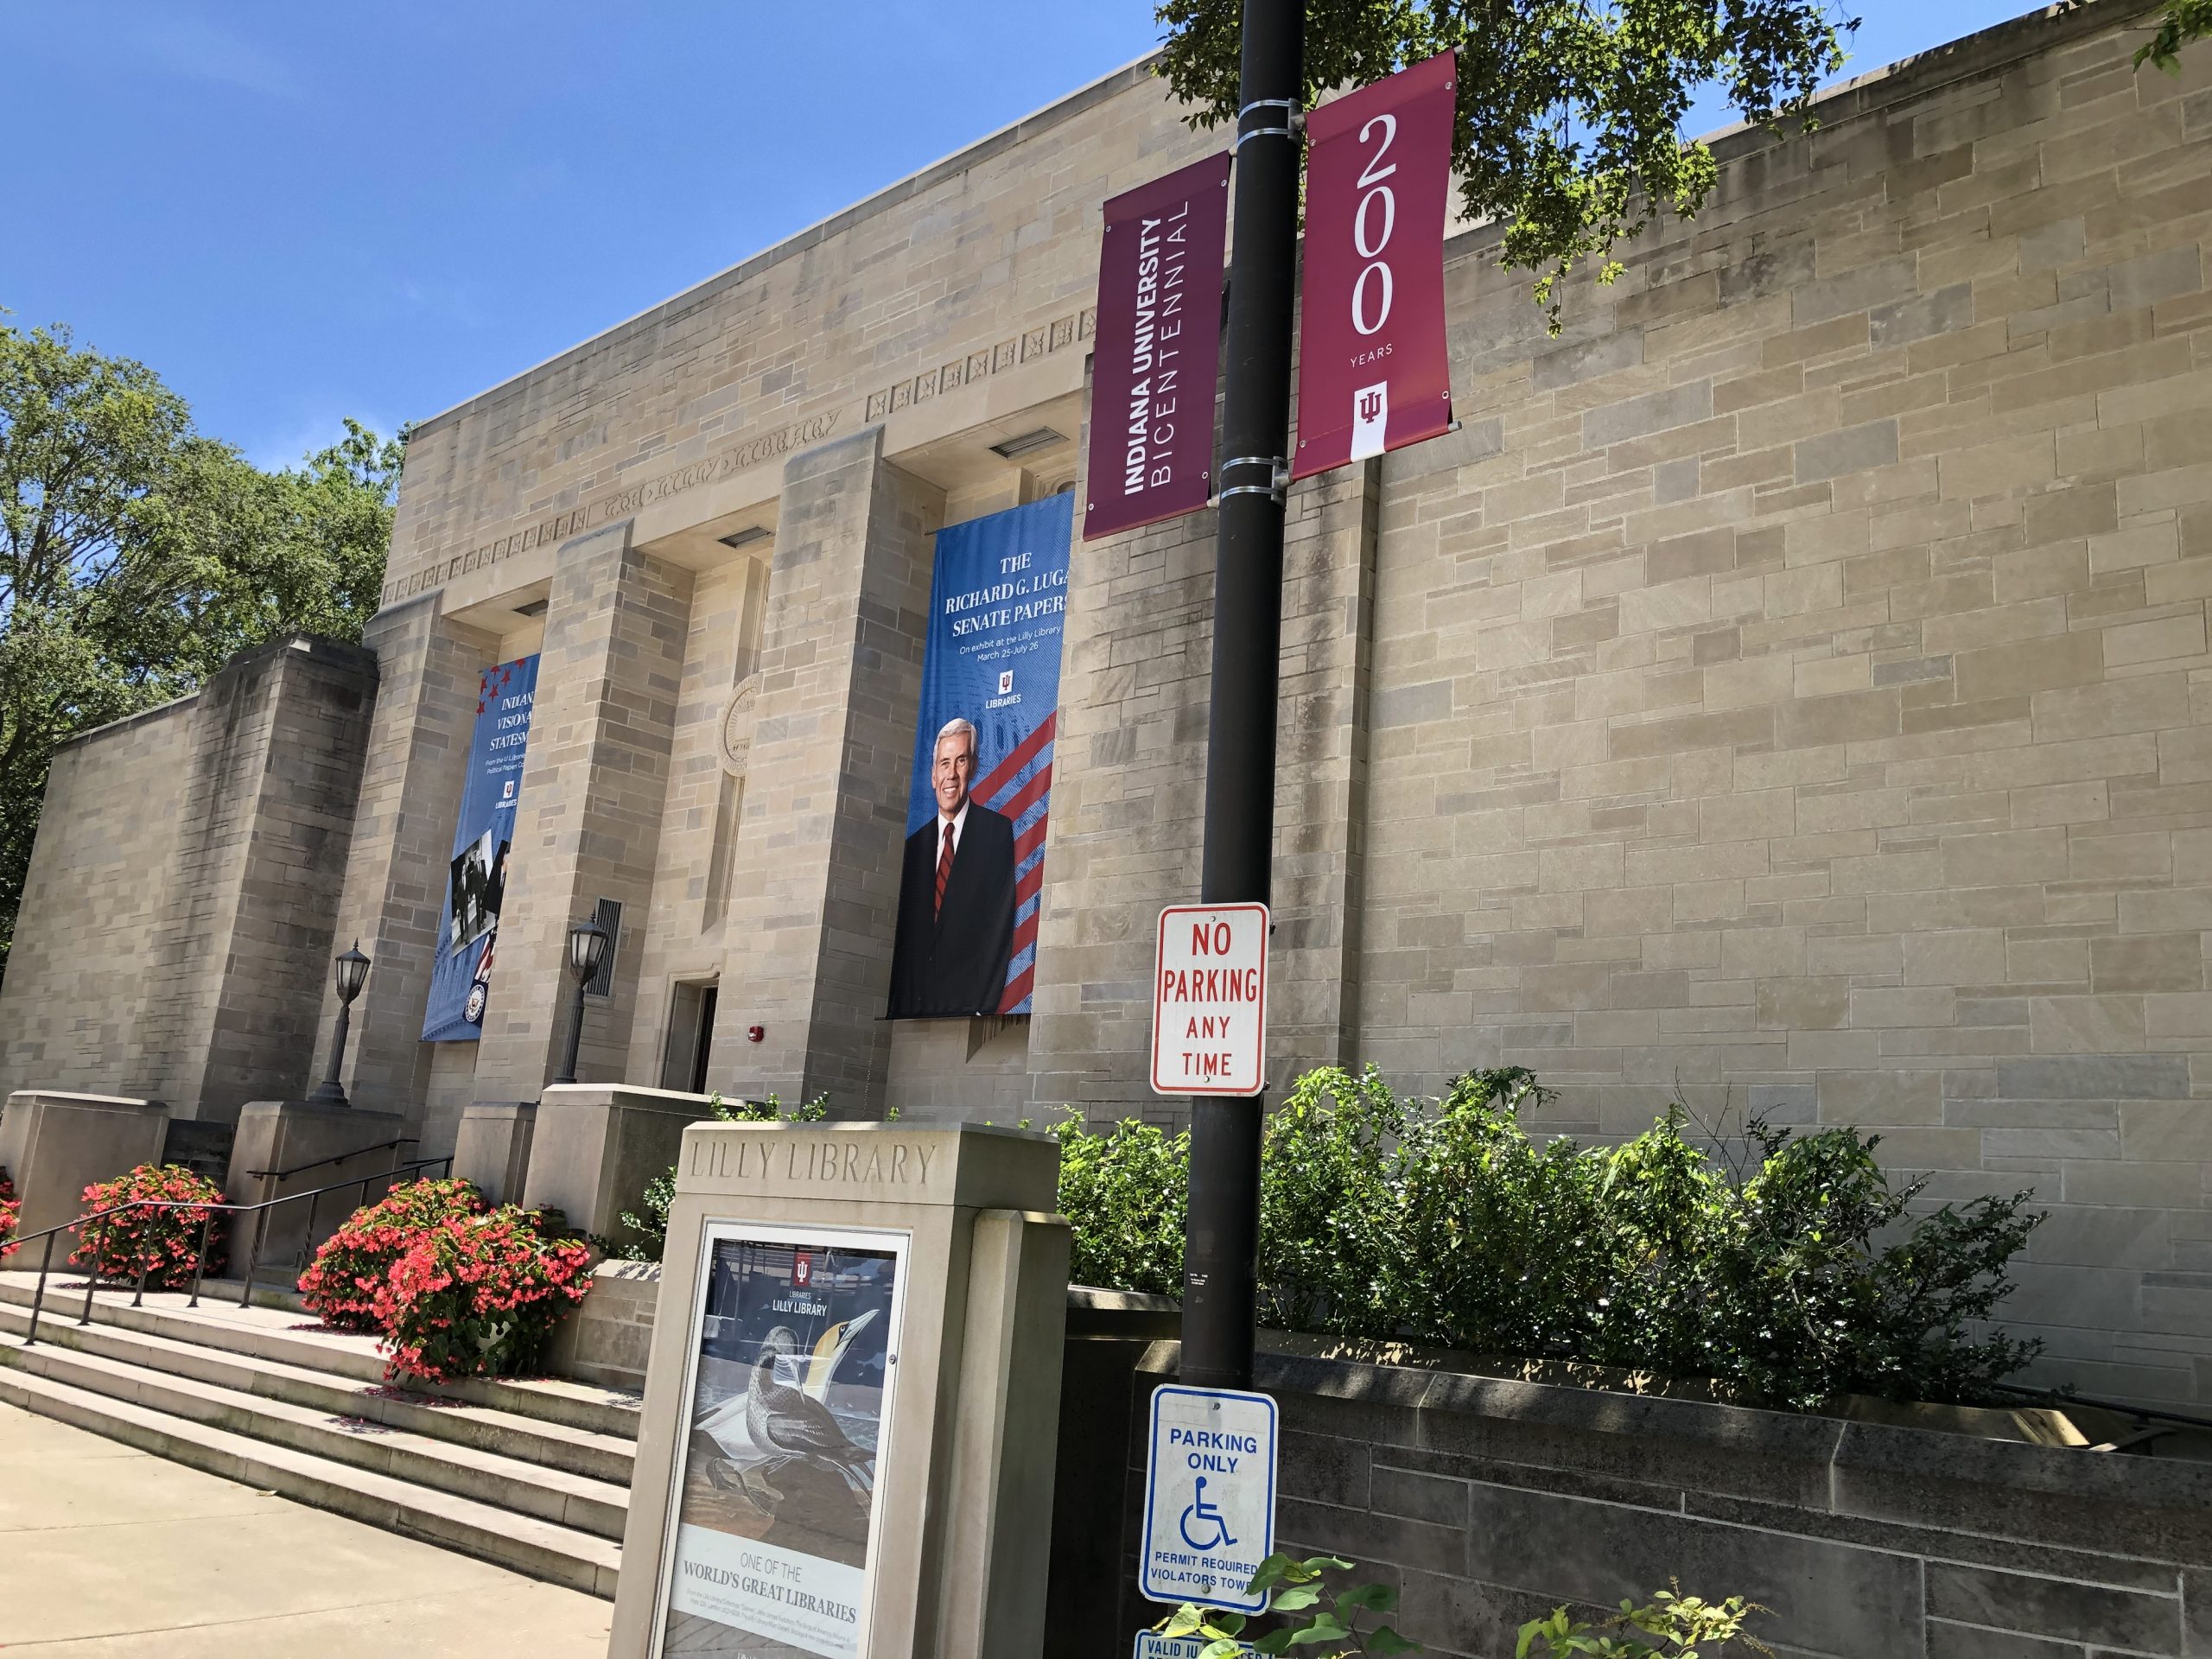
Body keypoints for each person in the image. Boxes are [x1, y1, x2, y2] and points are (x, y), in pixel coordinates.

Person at [888, 717, 1017, 1017]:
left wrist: (983, 1006)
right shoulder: (914, 847)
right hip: (912, 1007)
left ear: (972, 767)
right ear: (933, 775)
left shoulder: (996, 833)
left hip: (968, 1007)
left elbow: (1000, 929)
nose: (952, 774)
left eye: (960, 761)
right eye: (944, 764)